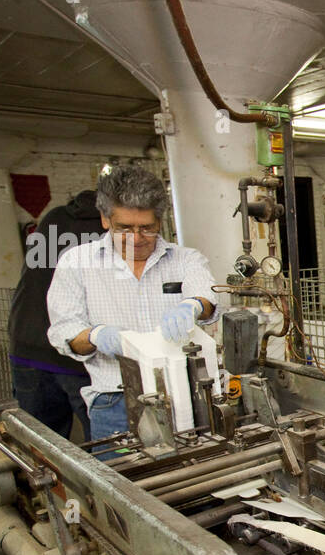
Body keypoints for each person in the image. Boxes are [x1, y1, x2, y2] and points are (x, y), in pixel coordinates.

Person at [47, 165, 218, 445]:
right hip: (115, 401)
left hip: (185, 394)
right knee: (124, 484)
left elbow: (206, 297)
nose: (136, 239)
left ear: (159, 222)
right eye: (124, 228)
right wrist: (97, 336)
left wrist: (193, 306)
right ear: (105, 220)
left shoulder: (185, 259)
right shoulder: (76, 263)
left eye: (146, 228)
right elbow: (64, 333)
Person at [8, 190, 101, 439]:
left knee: (42, 444)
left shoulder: (53, 218)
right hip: (75, 350)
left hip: (26, 342)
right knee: (107, 443)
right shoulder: (107, 231)